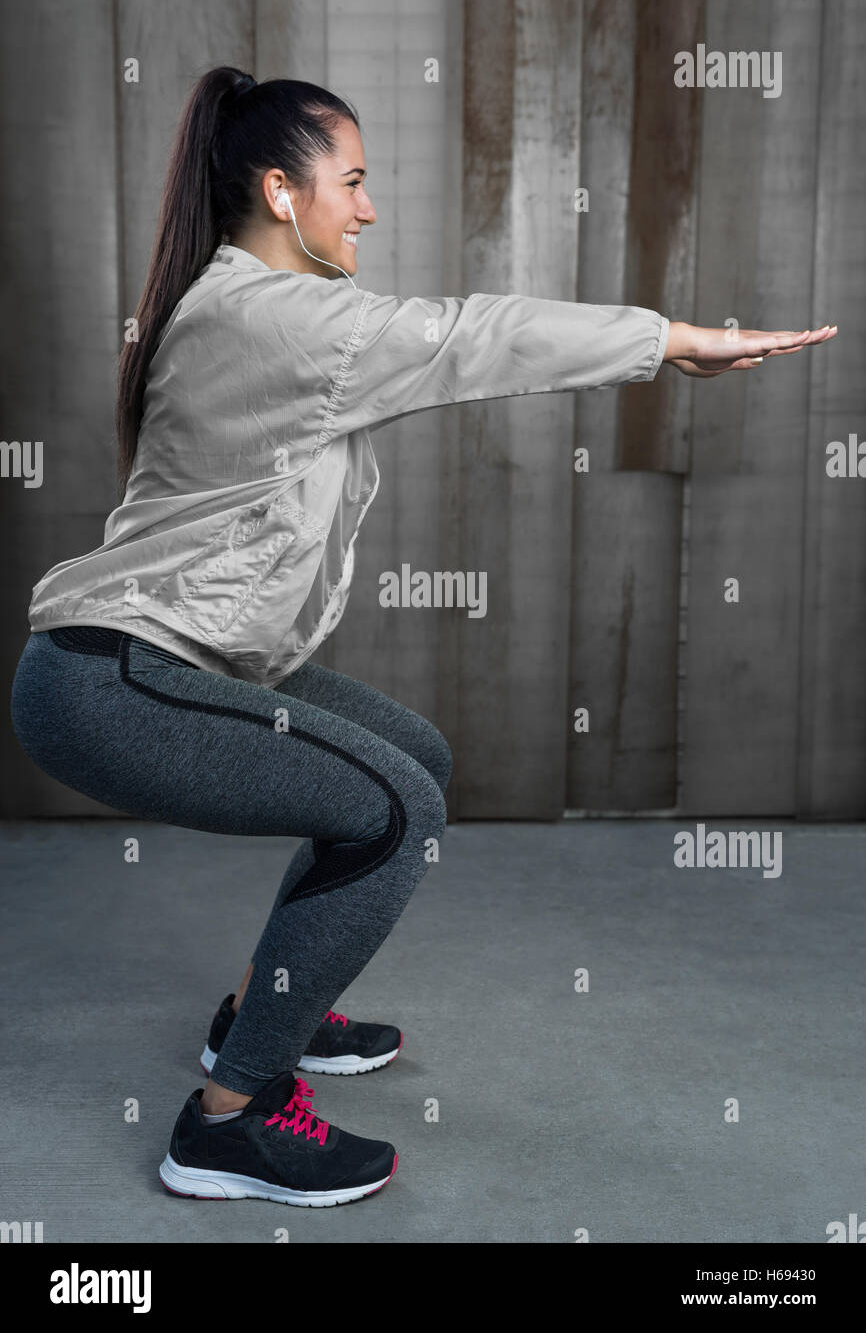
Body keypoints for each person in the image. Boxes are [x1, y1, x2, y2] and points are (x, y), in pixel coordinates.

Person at [8, 65, 837, 1209]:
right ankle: (229, 1120)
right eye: (350, 182)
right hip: (113, 680)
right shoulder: (274, 316)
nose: (369, 207)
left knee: (414, 759)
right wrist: (668, 340)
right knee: (398, 810)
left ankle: (267, 1009)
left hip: (146, 665)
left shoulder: (245, 303)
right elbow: (472, 336)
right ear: (280, 192)